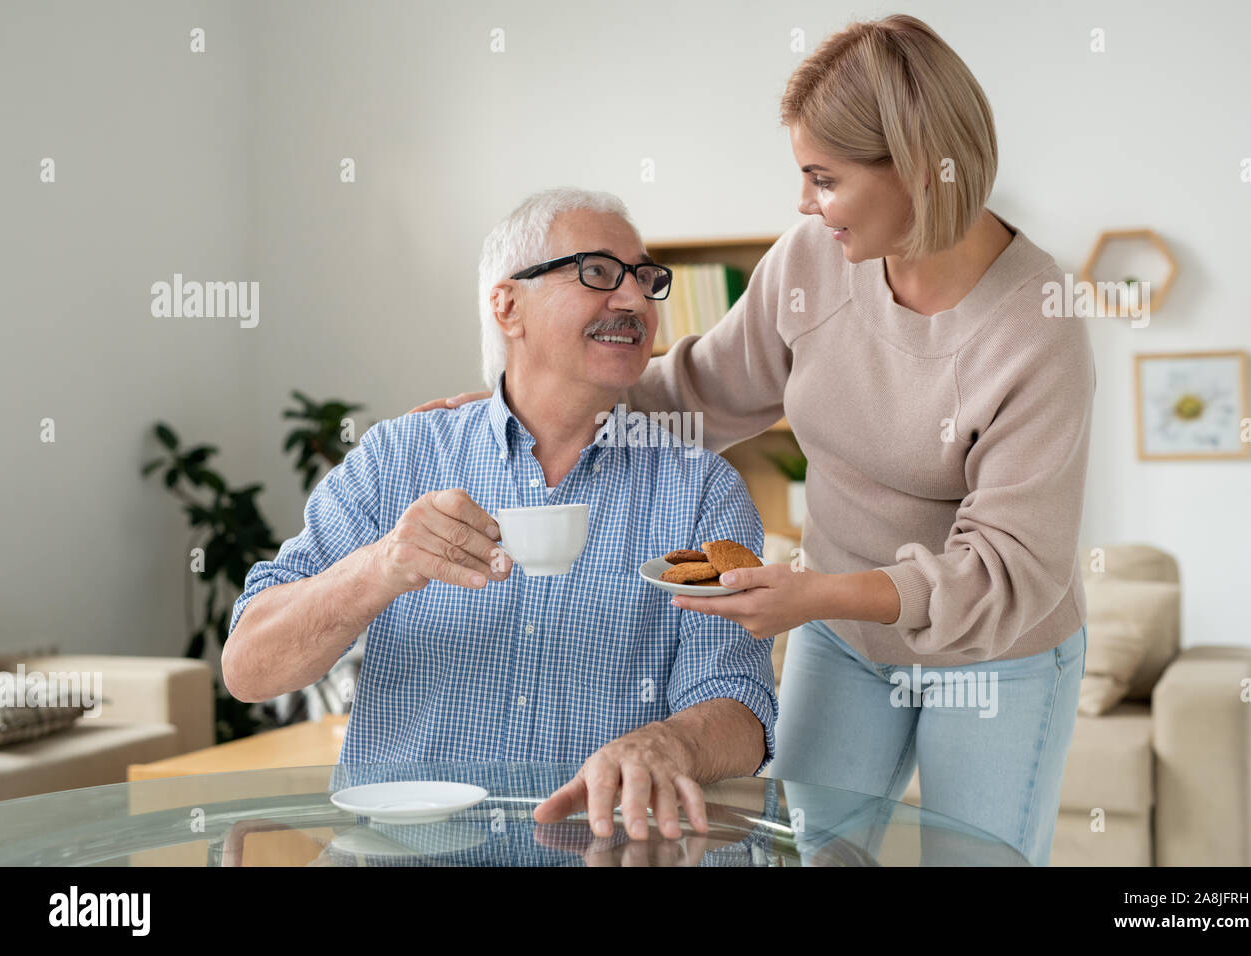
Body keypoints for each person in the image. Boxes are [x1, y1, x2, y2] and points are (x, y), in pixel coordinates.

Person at [412, 15, 1093, 866]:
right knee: (800, 853)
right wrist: (527, 405)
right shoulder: (814, 259)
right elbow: (699, 389)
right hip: (846, 644)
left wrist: (814, 596)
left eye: (824, 178)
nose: (805, 203)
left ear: (918, 171)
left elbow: (1007, 569)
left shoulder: (1037, 326)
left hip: (999, 650)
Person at [224, 187, 779, 844]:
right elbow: (249, 669)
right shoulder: (397, 457)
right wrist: (380, 566)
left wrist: (670, 745)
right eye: (598, 272)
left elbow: (740, 707)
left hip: (602, 854)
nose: (634, 300)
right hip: (399, 858)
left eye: (645, 278)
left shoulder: (701, 492)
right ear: (507, 305)